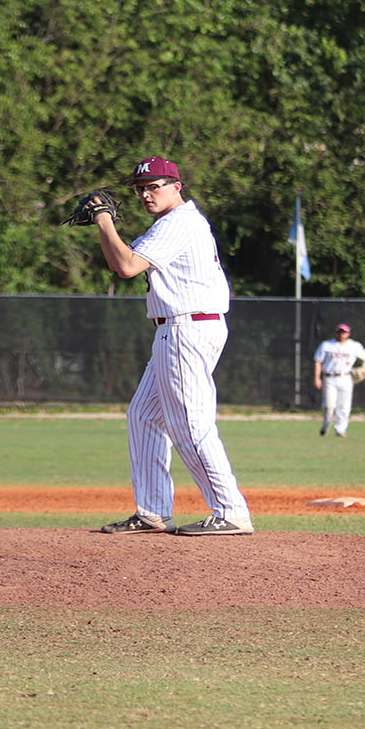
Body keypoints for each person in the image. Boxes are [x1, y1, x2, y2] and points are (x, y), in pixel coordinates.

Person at [85, 156, 254, 537]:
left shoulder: (179, 223)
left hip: (186, 329)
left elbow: (127, 266)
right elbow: (121, 263)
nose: (146, 193)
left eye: (155, 186)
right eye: (141, 188)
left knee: (190, 423)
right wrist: (104, 227)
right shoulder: (168, 225)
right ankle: (153, 512)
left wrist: (103, 219)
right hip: (178, 329)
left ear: (177, 187)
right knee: (143, 416)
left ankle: (231, 510)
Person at [314, 323, 365, 437]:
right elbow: (318, 361)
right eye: (339, 332)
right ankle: (326, 424)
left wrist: (364, 369)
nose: (341, 334)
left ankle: (340, 429)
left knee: (344, 406)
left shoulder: (354, 346)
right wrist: (317, 378)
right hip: (329, 377)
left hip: (345, 377)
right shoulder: (326, 345)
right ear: (336, 333)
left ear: (348, 334)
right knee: (328, 406)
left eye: (344, 332)